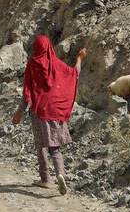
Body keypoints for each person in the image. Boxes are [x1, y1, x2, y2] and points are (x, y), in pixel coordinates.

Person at [12, 35, 84, 195]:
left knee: (41, 145)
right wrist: (79, 58)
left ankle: (45, 179)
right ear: (49, 47)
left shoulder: (32, 64)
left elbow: (27, 92)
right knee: (55, 148)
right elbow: (74, 73)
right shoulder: (56, 64)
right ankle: (60, 174)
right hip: (55, 110)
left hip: (39, 111)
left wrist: (19, 112)